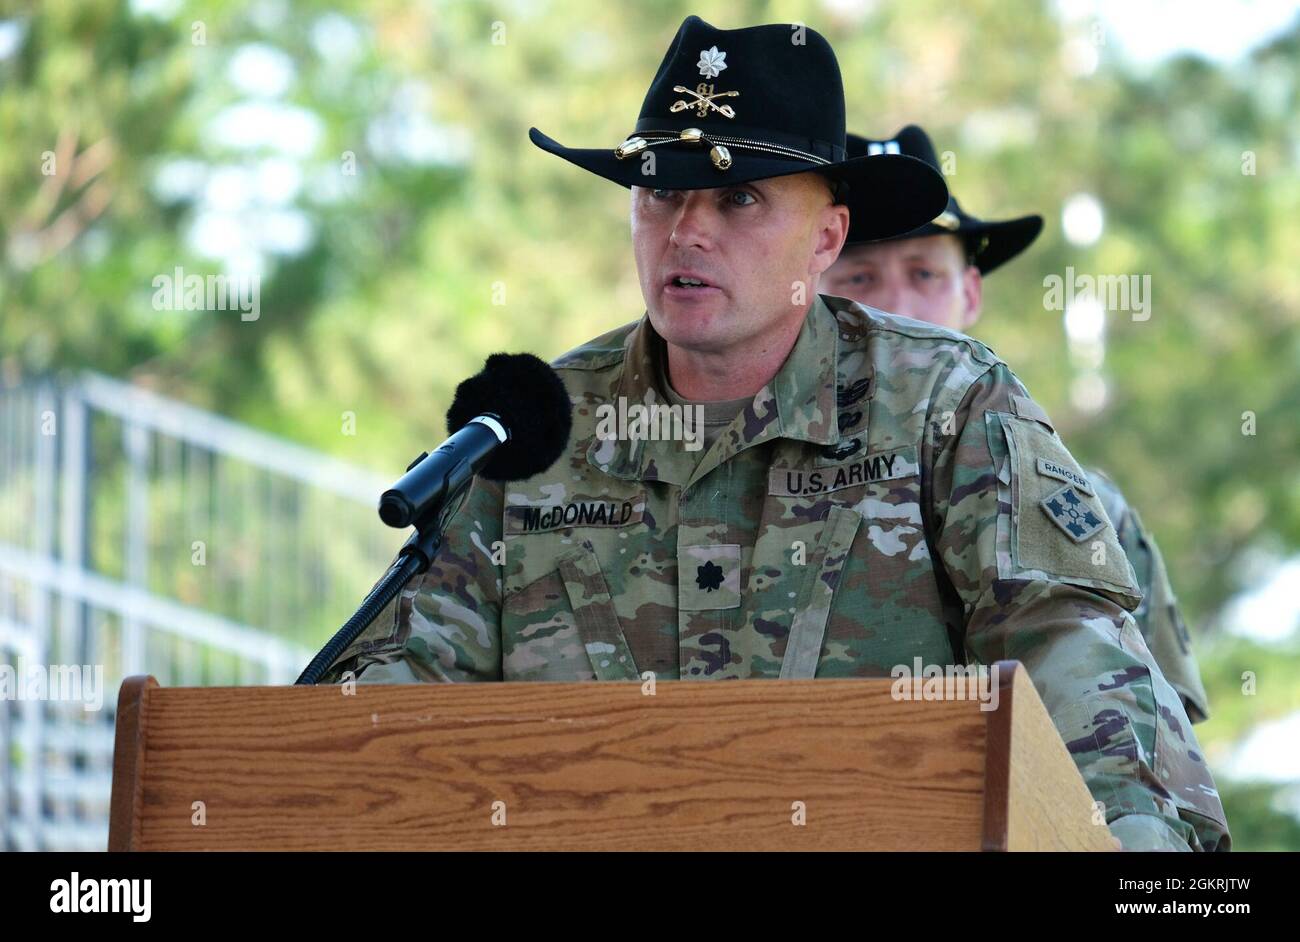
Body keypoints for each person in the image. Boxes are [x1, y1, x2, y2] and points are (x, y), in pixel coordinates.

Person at [320, 16, 1228, 851]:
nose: (686, 232)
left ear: (827, 239)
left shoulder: (948, 403)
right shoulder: (537, 425)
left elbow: (1068, 656)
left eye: (738, 200)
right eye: (658, 195)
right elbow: (396, 700)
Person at [823, 124, 1211, 724]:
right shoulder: (747, 479)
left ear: (970, 295)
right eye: (858, 277)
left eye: (924, 273)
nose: (894, 305)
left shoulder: (1086, 503)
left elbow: (1155, 744)